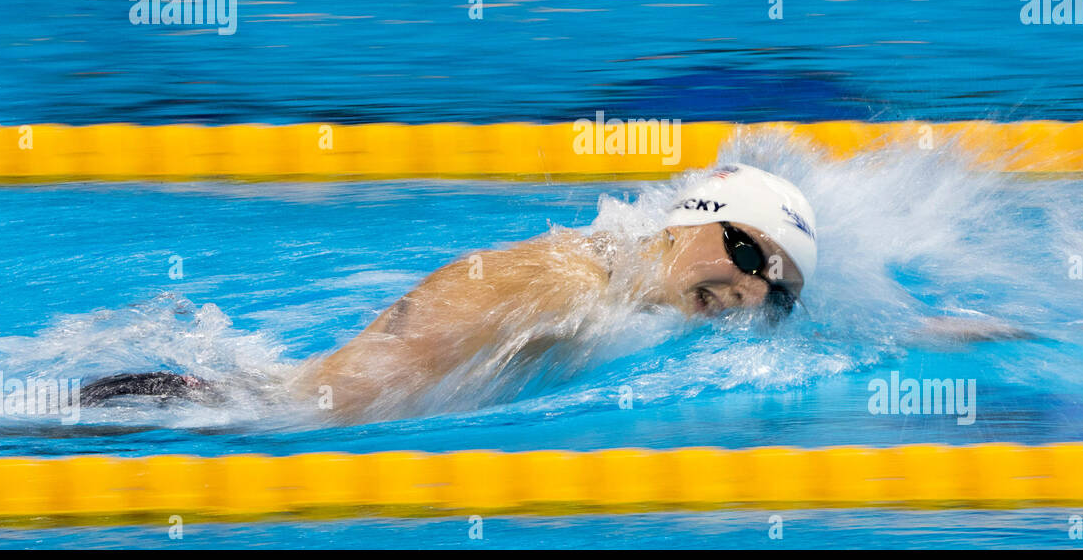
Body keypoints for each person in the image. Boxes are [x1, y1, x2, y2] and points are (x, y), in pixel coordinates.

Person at [81, 163, 818, 421]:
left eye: (777, 291)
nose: (752, 292)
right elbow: (399, 354)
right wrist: (281, 424)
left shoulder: (630, 290)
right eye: (748, 250)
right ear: (690, 219)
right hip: (230, 414)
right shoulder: (571, 287)